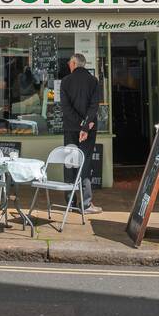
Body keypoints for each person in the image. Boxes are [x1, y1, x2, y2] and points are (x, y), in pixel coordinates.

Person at [60, 52, 103, 214]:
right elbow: (94, 106)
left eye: (69, 63)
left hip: (71, 128)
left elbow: (66, 108)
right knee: (85, 163)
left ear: (73, 64)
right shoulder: (93, 81)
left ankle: (70, 203)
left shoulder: (65, 81)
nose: (68, 66)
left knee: (70, 164)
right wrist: (85, 126)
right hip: (89, 130)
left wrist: (79, 124)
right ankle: (86, 204)